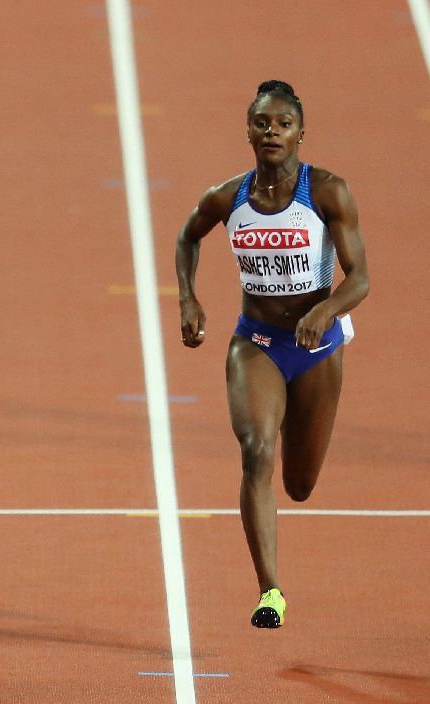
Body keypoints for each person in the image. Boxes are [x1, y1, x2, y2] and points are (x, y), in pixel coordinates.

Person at [175, 80, 369, 628]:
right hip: (255, 343)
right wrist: (189, 297)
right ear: (248, 130)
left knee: (300, 485)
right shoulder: (228, 197)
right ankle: (271, 591)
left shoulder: (328, 192)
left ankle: (291, 425)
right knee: (257, 448)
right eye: (262, 123)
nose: (272, 132)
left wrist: (325, 310)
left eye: (283, 124)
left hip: (317, 347)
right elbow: (187, 237)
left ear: (301, 134)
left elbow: (361, 278)